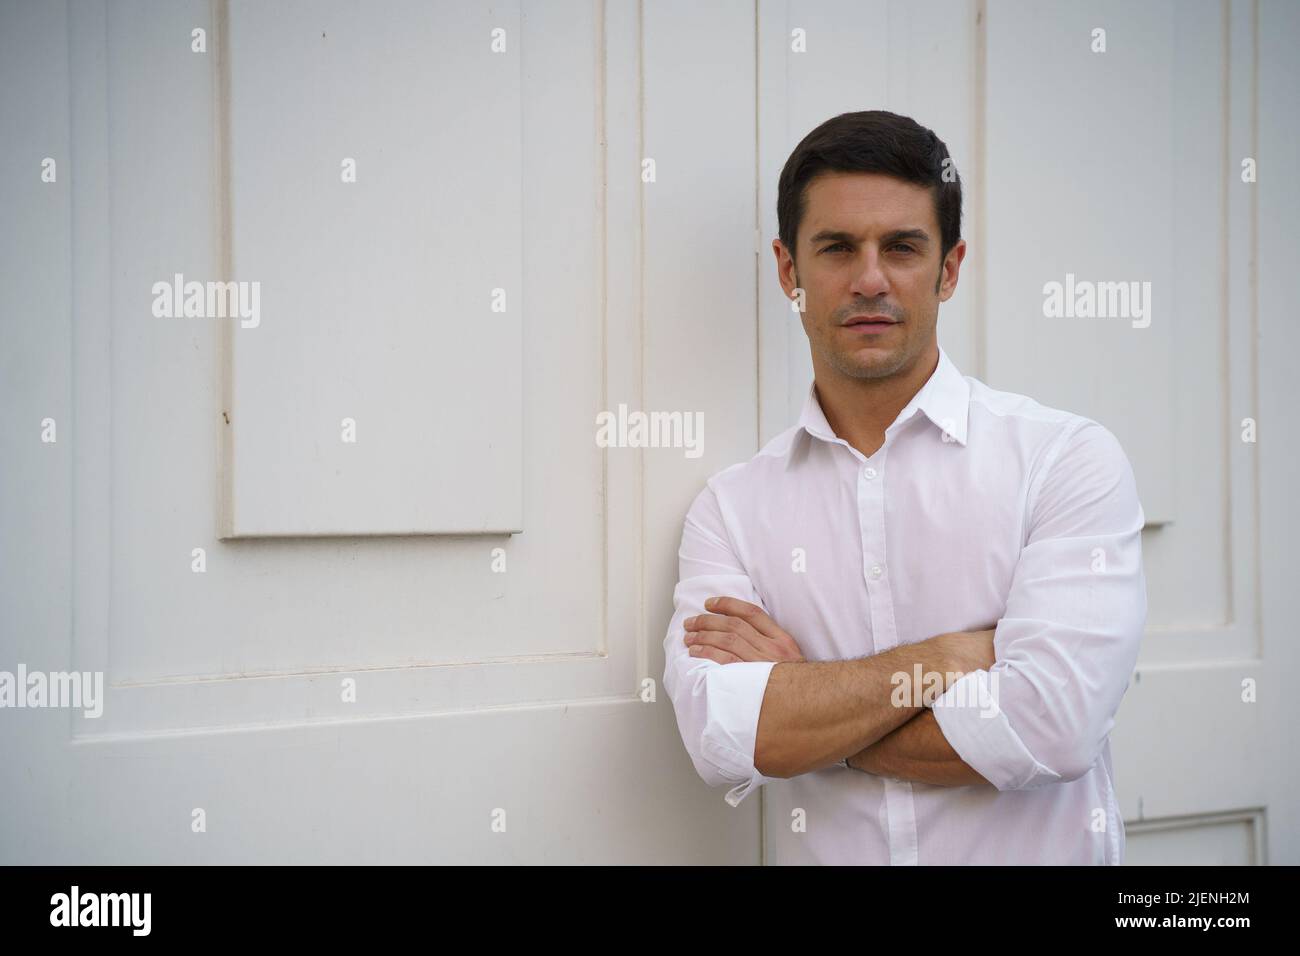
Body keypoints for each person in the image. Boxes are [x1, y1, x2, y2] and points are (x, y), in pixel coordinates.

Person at [662, 110, 1147, 865]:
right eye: (836, 248)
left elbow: (1051, 728)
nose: (870, 279)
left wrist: (805, 701)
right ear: (788, 270)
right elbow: (723, 736)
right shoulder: (731, 509)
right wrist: (954, 658)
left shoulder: (1065, 462)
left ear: (949, 268)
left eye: (902, 247)